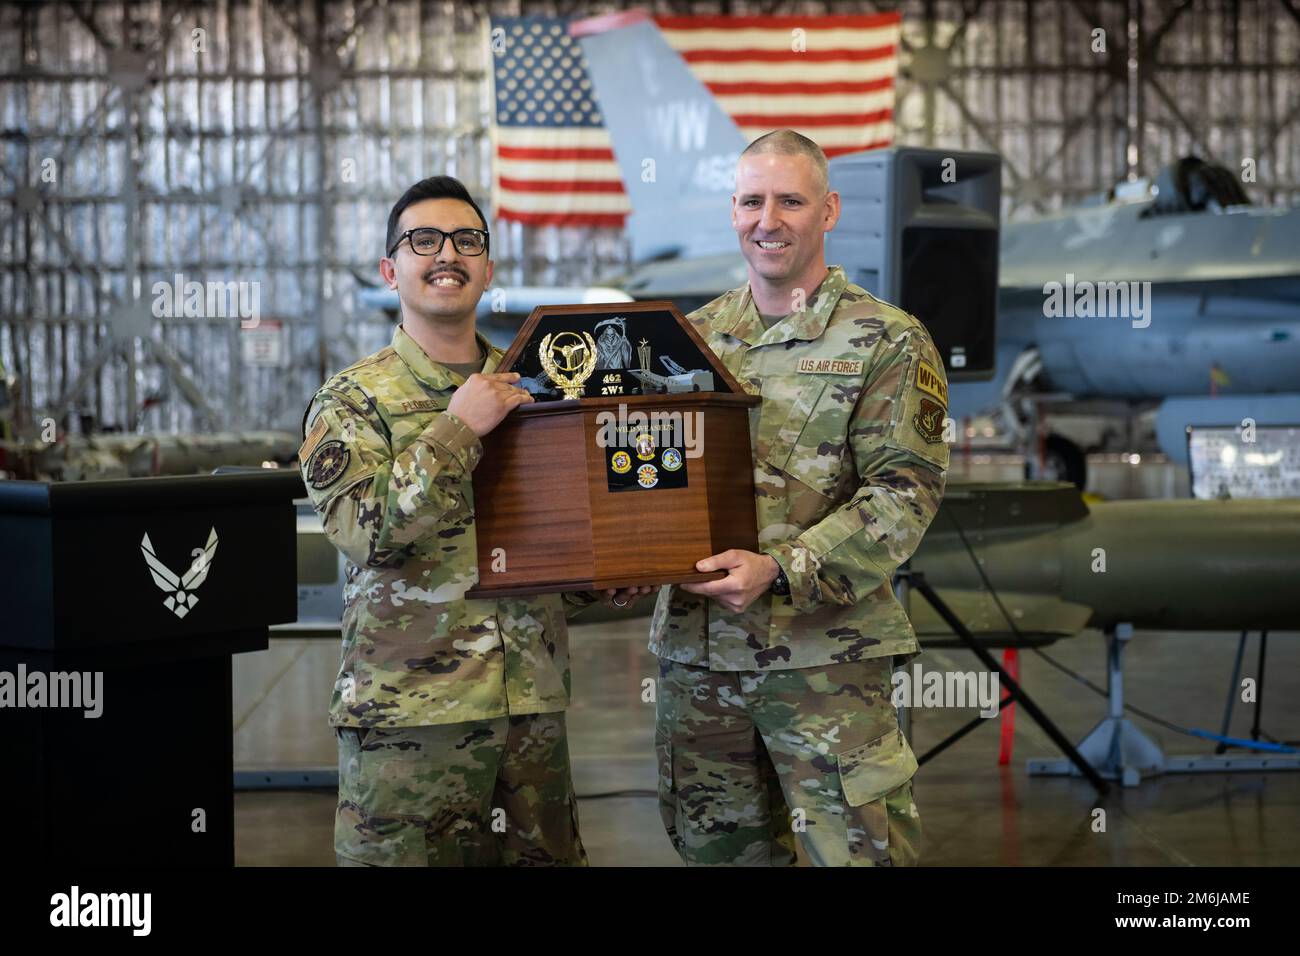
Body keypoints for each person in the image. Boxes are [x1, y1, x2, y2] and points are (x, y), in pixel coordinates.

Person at [299, 175, 645, 866]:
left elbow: (546, 543)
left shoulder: (536, 389)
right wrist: (456, 429)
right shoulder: (350, 401)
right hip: (410, 722)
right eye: (423, 240)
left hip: (531, 717)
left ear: (488, 267)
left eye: (467, 240)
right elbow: (368, 536)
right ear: (390, 269)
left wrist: (601, 579)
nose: (446, 253)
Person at [649, 130, 951, 866]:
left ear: (829, 210)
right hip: (700, 670)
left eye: (790, 200)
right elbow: (648, 477)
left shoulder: (887, 340)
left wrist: (781, 568)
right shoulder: (690, 342)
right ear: (733, 211)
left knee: (857, 857)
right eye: (752, 200)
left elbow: (904, 494)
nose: (768, 219)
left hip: (826, 668)